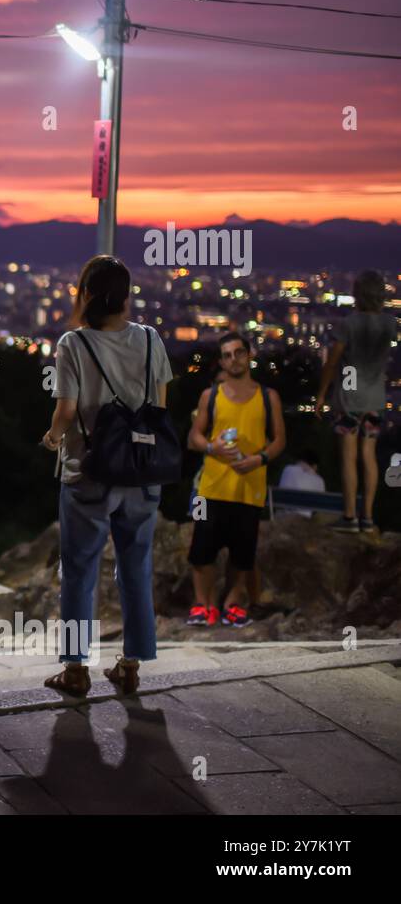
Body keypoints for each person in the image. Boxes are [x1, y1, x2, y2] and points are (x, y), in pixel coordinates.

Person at [40, 254, 174, 696]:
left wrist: (51, 438)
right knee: (136, 565)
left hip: (89, 470)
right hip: (141, 471)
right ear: (127, 296)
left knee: (79, 569)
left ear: (86, 295)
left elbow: (66, 410)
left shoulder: (73, 345)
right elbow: (159, 406)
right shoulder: (152, 340)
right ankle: (130, 663)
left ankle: (76, 668)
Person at [185, 333, 286, 628]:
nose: (234, 359)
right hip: (212, 487)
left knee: (243, 554)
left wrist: (259, 459)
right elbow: (194, 437)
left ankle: (233, 602)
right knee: (202, 551)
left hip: (249, 488)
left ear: (249, 354)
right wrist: (211, 447)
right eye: (227, 355)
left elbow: (279, 440)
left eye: (238, 353)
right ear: (222, 361)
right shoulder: (211, 396)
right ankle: (202, 605)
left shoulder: (268, 397)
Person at [315, 270, 395, 534]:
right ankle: (368, 517)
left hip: (349, 398)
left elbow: (333, 361)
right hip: (376, 398)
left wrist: (322, 394)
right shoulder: (389, 324)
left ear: (358, 294)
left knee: (348, 456)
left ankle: (349, 517)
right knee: (369, 456)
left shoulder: (348, 324)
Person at [277, 449, 326, 518]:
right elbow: (320, 507)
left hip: (285, 516)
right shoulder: (319, 480)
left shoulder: (288, 469)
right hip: (305, 519)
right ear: (315, 466)